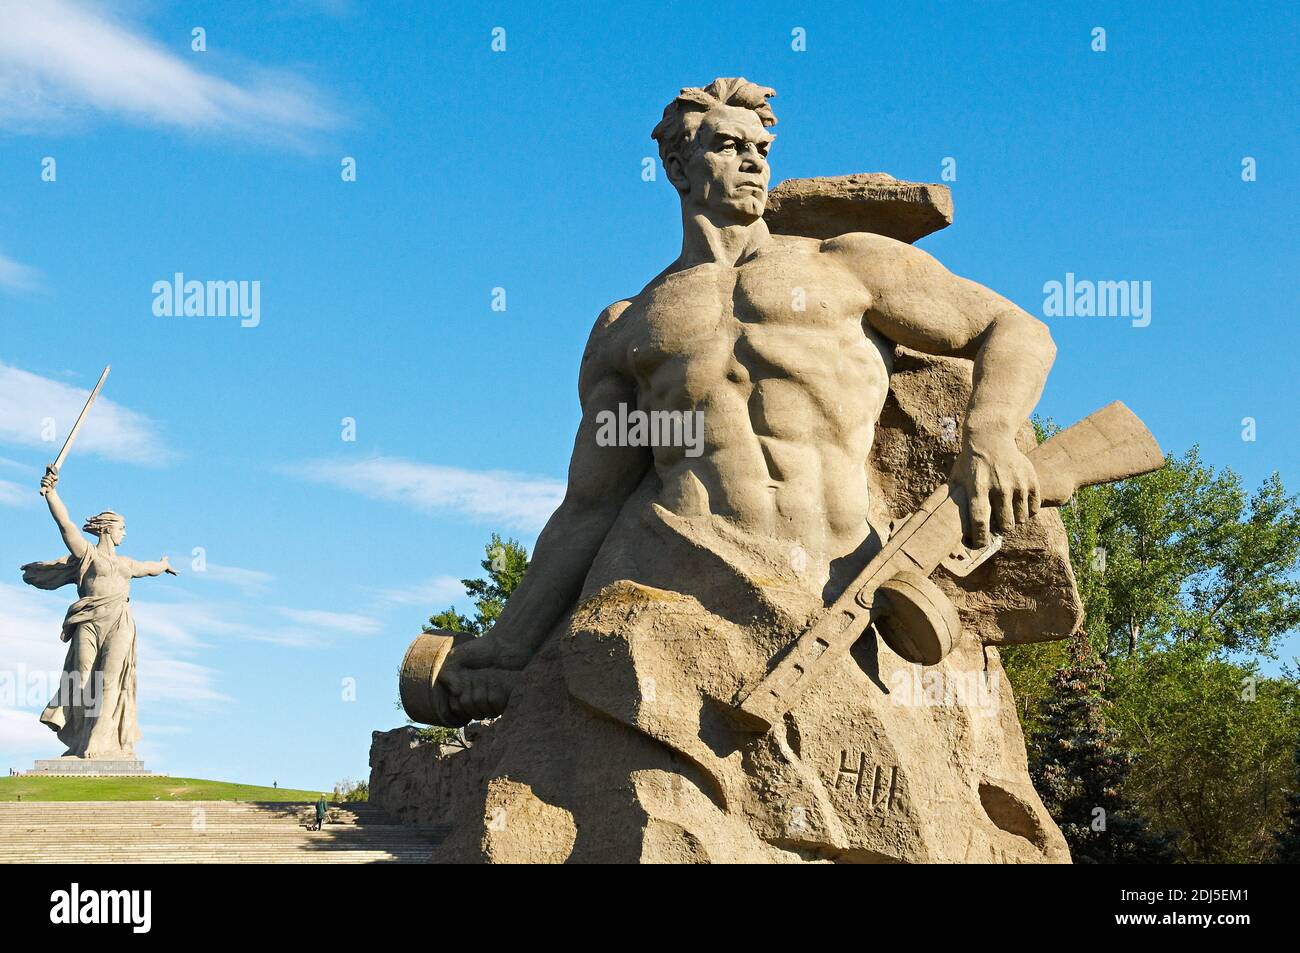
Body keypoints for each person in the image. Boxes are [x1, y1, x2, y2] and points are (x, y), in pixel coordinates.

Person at [21, 466, 177, 759]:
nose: (125, 533)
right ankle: (79, 736)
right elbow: (65, 525)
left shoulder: (127, 564)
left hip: (119, 622)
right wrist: (52, 494)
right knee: (81, 680)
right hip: (89, 622)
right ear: (107, 529)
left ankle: (97, 739)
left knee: (108, 680)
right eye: (122, 528)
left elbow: (149, 568)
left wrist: (163, 564)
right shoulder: (87, 555)